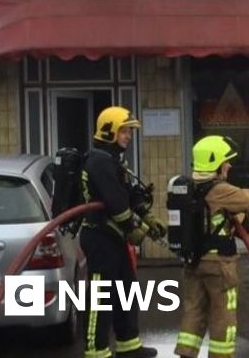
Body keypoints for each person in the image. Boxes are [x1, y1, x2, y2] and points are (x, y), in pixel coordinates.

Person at [80, 106, 166, 358]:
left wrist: (146, 215)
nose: (128, 136)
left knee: (126, 290)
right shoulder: (98, 161)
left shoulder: (113, 160)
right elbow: (116, 203)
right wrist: (134, 229)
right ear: (109, 132)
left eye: (129, 131)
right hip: (99, 236)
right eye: (124, 131)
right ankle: (96, 350)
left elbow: (127, 194)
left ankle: (129, 346)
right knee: (100, 295)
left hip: (113, 236)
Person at [174, 135, 249, 358]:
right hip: (219, 266)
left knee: (193, 312)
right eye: (226, 161)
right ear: (215, 163)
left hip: (193, 263)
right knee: (223, 316)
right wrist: (246, 227)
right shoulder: (221, 190)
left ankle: (186, 354)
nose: (229, 165)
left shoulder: (187, 188)